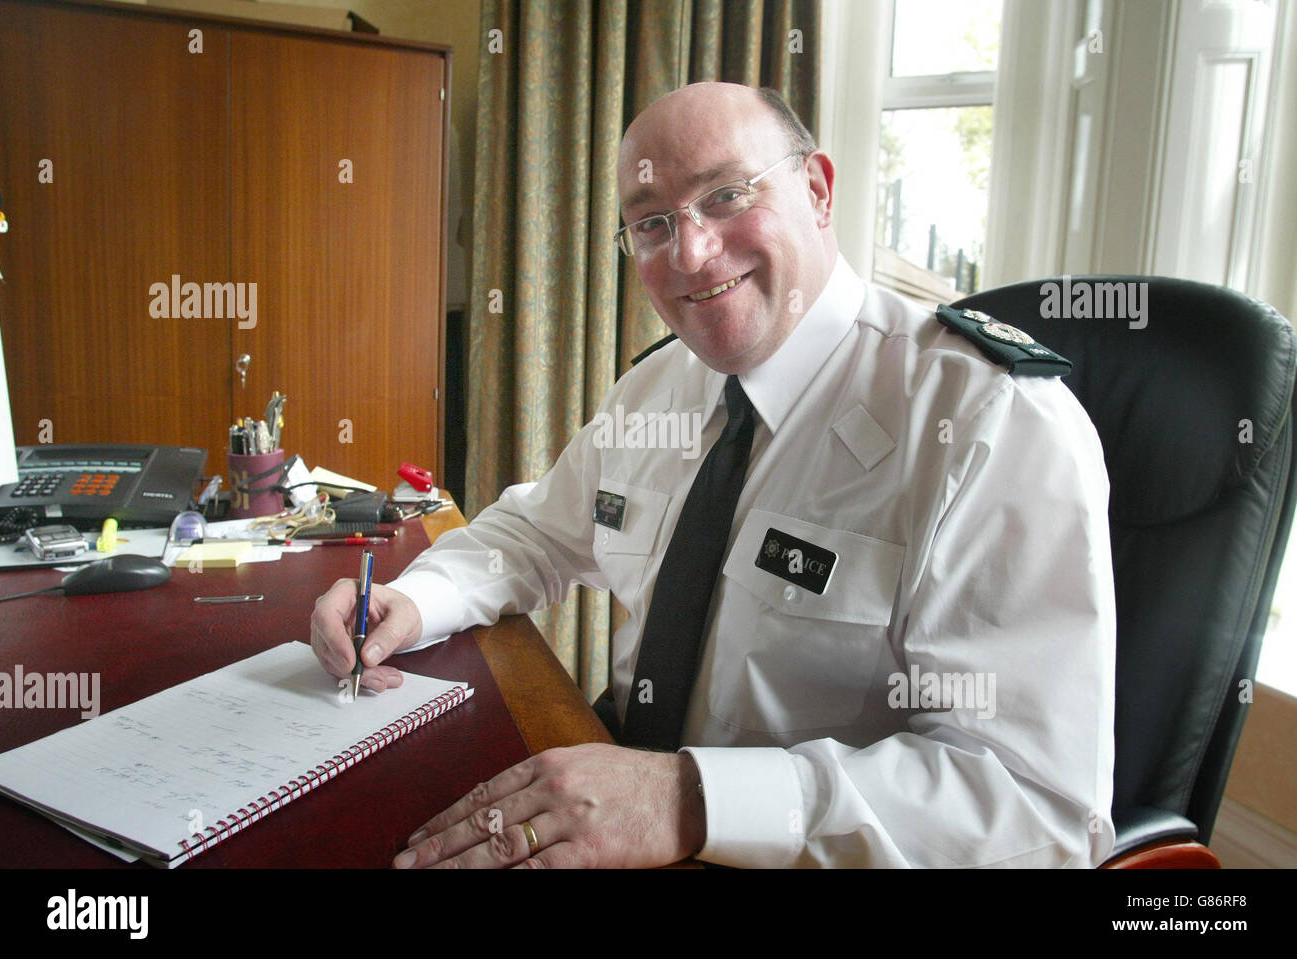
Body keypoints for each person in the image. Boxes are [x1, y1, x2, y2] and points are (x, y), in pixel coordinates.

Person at [310, 81, 1116, 868]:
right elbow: (537, 531)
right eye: (653, 224)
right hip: (611, 792)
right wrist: (413, 599)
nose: (691, 253)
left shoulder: (989, 424)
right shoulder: (660, 388)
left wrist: (694, 799)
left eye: (727, 195)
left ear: (819, 189)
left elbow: (1033, 805)